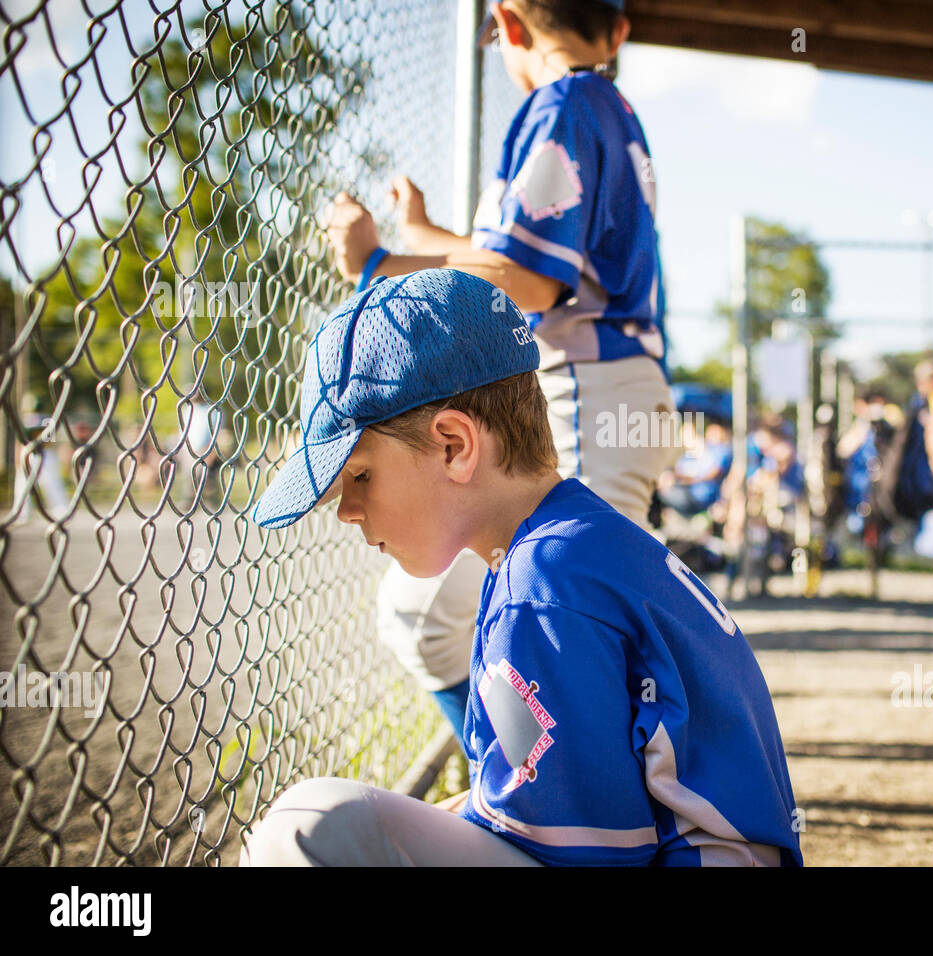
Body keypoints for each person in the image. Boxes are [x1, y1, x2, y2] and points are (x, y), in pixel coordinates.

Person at [239, 269, 802, 866]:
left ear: (454, 446)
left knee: (315, 825)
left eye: (360, 477)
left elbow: (591, 855)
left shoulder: (542, 587)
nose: (346, 512)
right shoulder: (574, 542)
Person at [324, 0, 678, 752]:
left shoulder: (563, 106)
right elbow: (530, 256)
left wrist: (379, 266)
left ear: (511, 25)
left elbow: (528, 281)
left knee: (563, 631)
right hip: (610, 390)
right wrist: (424, 238)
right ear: (617, 30)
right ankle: (533, 800)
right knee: (551, 629)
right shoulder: (602, 106)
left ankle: (545, 817)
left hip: (585, 391)